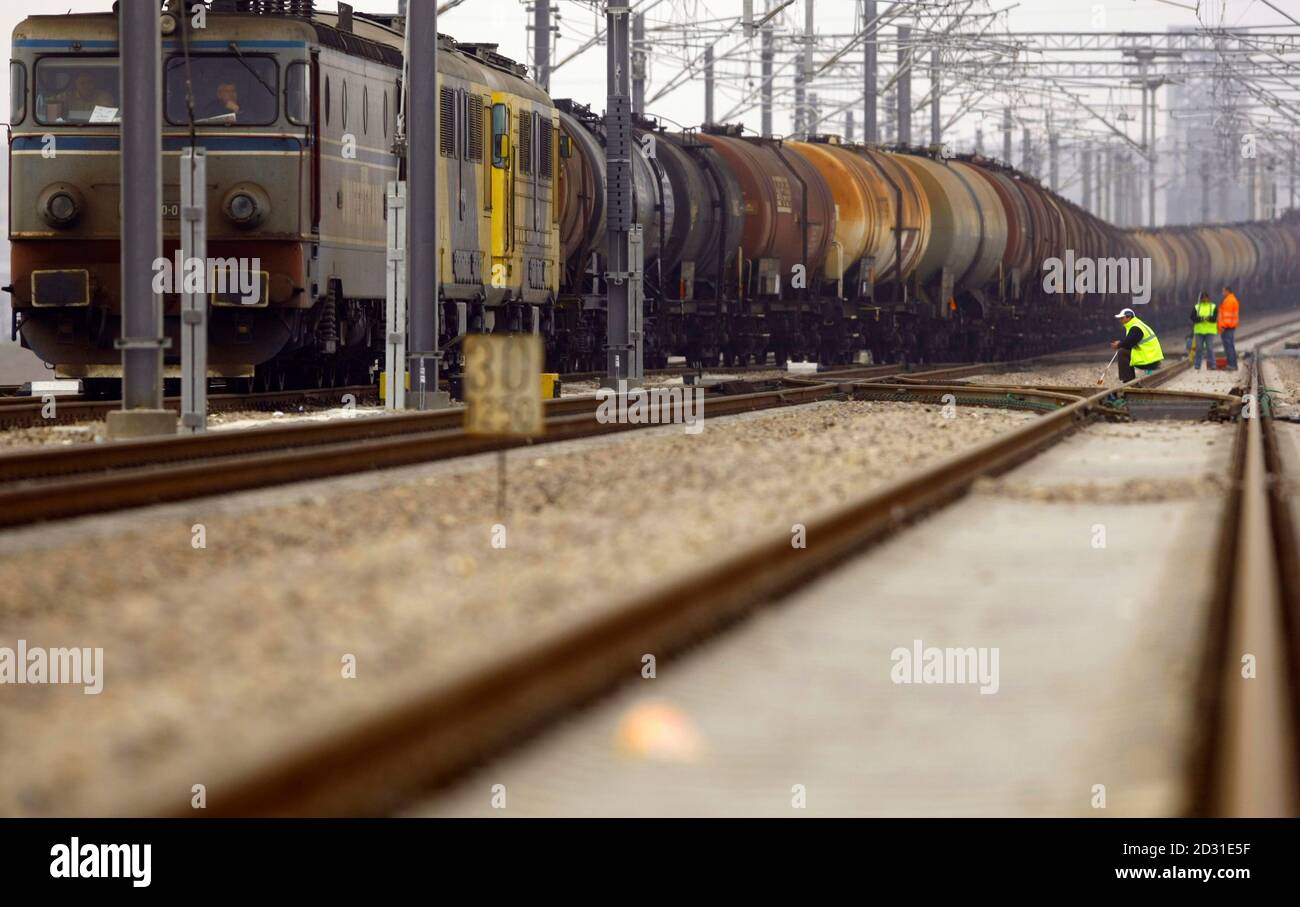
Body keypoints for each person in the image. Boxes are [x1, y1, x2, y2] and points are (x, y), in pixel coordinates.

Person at [1111, 307, 1164, 381]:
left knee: (1122, 352)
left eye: (1122, 318)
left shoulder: (1136, 327)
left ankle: (1128, 380)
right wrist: (1121, 343)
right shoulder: (1137, 325)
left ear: (1129, 317)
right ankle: (1130, 381)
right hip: (1152, 358)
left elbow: (1128, 343)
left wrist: (1118, 345)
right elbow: (1130, 342)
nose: (1120, 320)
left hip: (1149, 360)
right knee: (1124, 350)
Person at [1191, 291, 1218, 370]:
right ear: (1201, 298)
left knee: (1210, 348)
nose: (1205, 299)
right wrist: (1201, 319)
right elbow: (1192, 317)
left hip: (1210, 331)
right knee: (1199, 348)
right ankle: (1197, 365)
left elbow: (1214, 318)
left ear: (1209, 298)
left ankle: (1213, 365)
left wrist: (1207, 318)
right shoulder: (1197, 307)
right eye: (1203, 298)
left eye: (1206, 297)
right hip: (1199, 331)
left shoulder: (1213, 307)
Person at [1219, 285, 1240, 370]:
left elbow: (1226, 316)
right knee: (1230, 346)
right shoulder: (1232, 299)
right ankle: (1233, 364)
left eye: (1223, 291)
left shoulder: (1229, 301)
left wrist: (1223, 327)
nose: (1223, 293)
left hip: (1227, 327)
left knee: (1228, 346)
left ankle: (1231, 365)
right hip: (1230, 327)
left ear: (1227, 291)